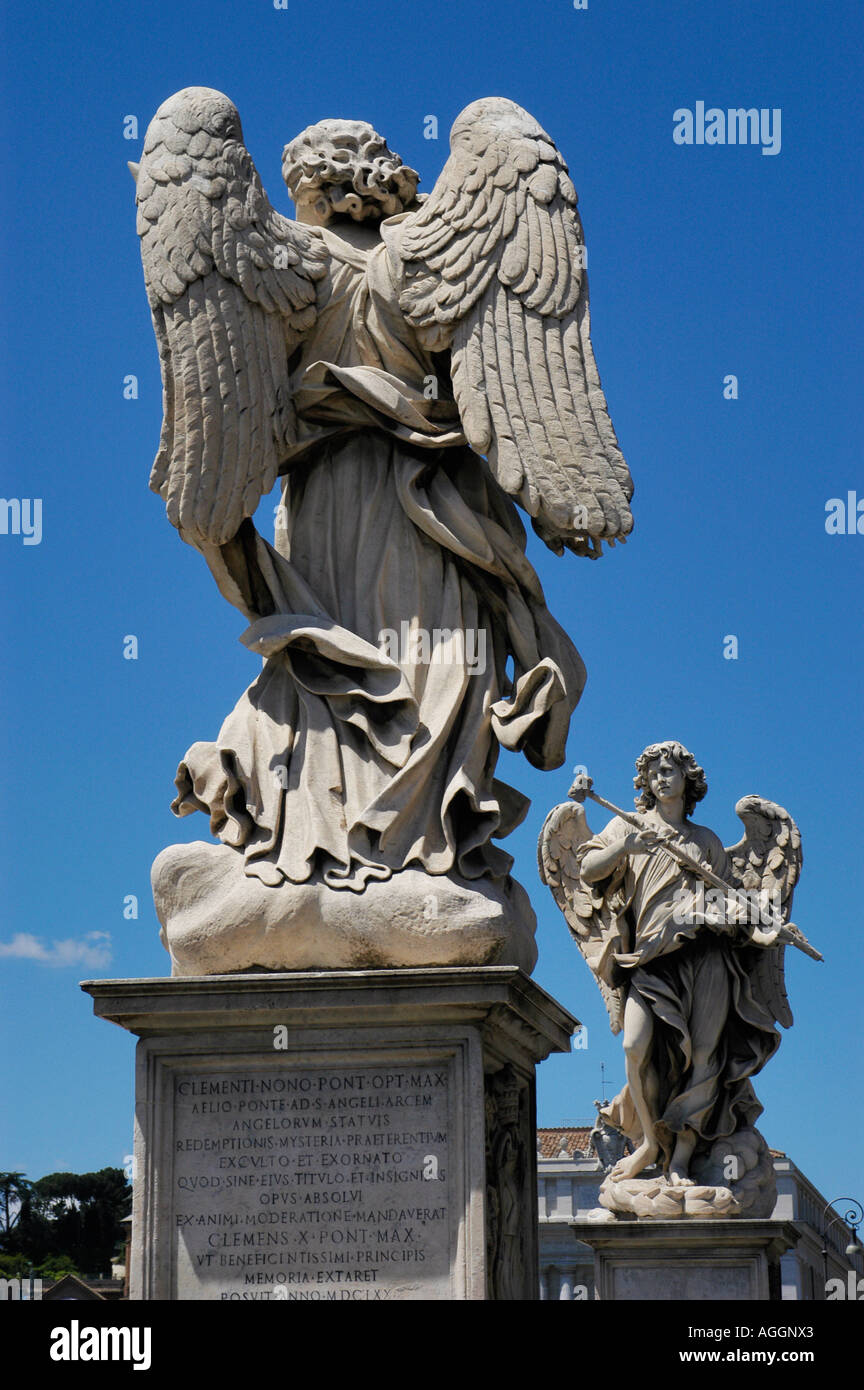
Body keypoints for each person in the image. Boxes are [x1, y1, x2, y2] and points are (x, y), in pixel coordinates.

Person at [577, 741, 780, 1185]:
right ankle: (650, 1140)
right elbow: (588, 868)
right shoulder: (627, 825)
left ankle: (682, 1153)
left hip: (705, 958)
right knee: (635, 1046)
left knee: (704, 1055)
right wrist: (625, 846)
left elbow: (730, 903)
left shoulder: (706, 841)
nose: (662, 777)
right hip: (649, 960)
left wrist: (749, 915)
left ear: (688, 779)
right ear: (645, 782)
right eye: (654, 771)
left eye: (671, 770)